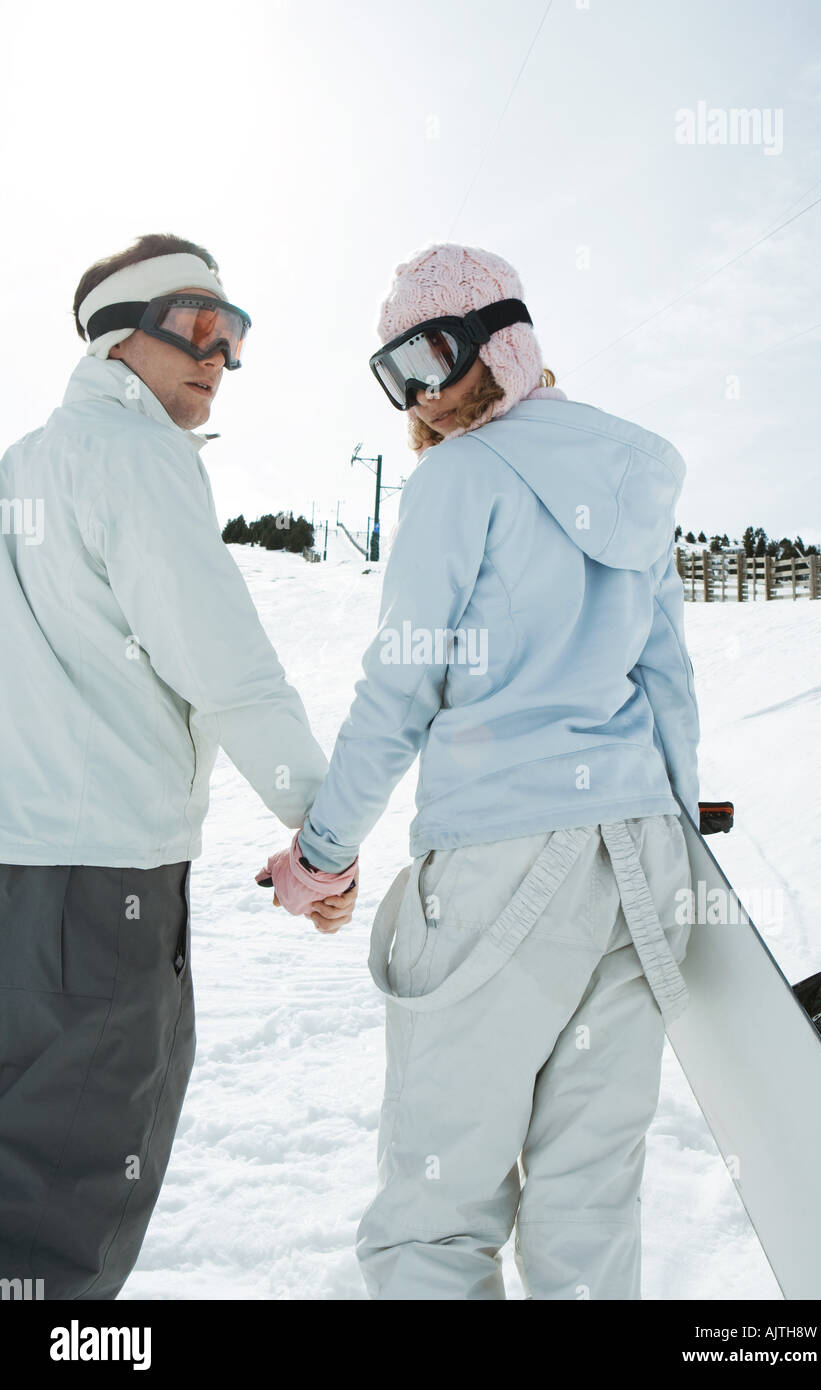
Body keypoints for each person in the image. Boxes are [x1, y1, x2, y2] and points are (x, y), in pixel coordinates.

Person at [269, 241, 701, 1300]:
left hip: (501, 855)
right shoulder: (634, 471)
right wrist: (678, 845)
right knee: (587, 1207)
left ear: (501, 340)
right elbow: (668, 683)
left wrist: (323, 851)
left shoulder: (462, 478)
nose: (423, 395)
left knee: (435, 1207)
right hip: (636, 866)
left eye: (430, 356)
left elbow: (399, 686)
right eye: (396, 376)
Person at [0, 232, 358, 1300]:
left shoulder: (21, 467)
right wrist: (324, 839)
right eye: (199, 327)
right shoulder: (138, 456)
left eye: (234, 335)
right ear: (120, 337)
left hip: (19, 873)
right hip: (102, 882)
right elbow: (230, 671)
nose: (221, 356)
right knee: (67, 1205)